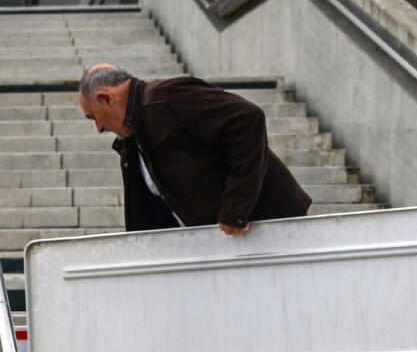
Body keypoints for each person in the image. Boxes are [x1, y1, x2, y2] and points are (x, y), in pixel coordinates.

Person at [76, 63, 313, 235]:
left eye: (93, 118)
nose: (98, 128)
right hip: (230, 239)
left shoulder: (166, 98)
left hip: (269, 226)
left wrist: (235, 209)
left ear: (106, 98)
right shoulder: (134, 135)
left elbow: (247, 118)